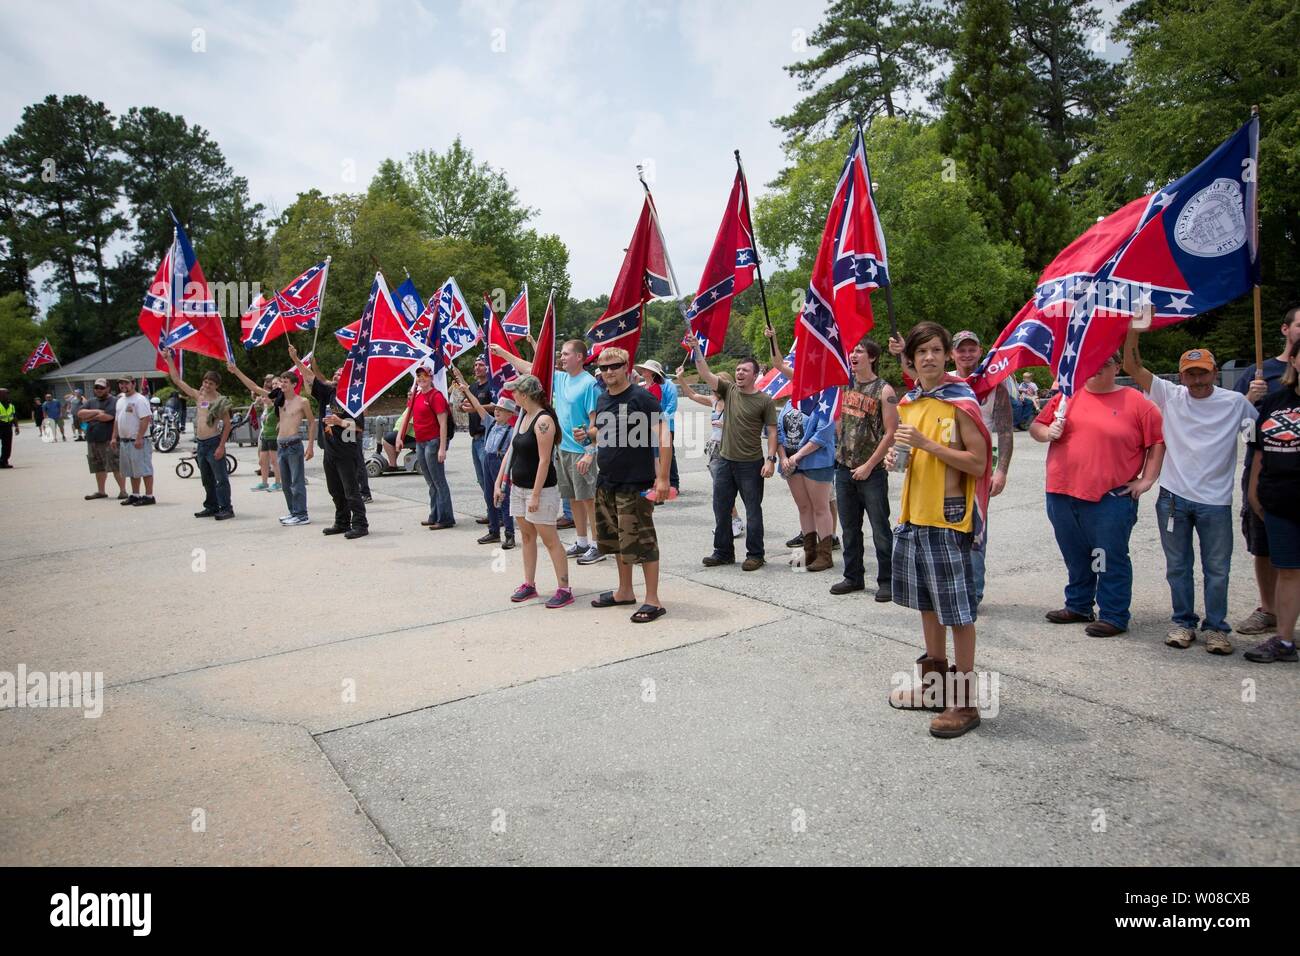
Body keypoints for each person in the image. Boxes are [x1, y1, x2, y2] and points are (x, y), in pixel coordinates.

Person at [884, 322, 990, 739]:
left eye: (935, 350)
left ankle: (964, 703)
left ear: (947, 355)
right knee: (928, 606)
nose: (928, 357)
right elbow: (909, 462)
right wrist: (899, 457)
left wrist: (929, 446)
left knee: (958, 613)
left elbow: (978, 464)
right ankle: (934, 689)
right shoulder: (910, 402)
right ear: (910, 359)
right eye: (920, 351)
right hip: (915, 516)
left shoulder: (961, 401)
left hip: (949, 519)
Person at [1123, 326, 1257, 653]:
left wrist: (1258, 396)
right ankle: (1183, 623)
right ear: (1182, 376)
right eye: (1191, 374)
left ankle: (1216, 629)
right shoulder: (1170, 395)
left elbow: (1256, 438)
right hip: (1173, 497)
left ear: (1214, 372)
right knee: (1178, 566)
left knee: (1217, 569)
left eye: (1203, 373)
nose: (1197, 380)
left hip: (1215, 500)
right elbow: (1132, 366)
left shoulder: (1236, 403)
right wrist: (1133, 332)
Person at [1031, 351, 1164, 637]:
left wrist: (1148, 479)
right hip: (1062, 491)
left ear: (1117, 367)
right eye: (1092, 363)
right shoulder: (1068, 396)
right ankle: (1078, 604)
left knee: (1106, 554)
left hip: (1109, 496)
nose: (1097, 370)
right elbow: (1036, 427)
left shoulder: (1136, 402)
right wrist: (1047, 432)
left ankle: (1113, 613)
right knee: (1075, 553)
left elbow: (1157, 442)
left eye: (1105, 363)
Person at [492, 339, 603, 564]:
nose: (561, 357)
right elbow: (532, 368)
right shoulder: (560, 378)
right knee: (572, 498)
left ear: (579, 357)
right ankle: (582, 541)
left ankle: (597, 544)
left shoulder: (589, 383)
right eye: (561, 354)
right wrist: (504, 353)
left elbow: (595, 422)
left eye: (566, 354)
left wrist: (591, 451)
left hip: (582, 451)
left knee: (588, 499)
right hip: (562, 449)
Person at [588, 347, 672, 622]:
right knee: (617, 541)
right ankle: (624, 591)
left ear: (626, 366)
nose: (608, 371)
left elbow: (664, 436)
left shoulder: (641, 397)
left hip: (635, 483)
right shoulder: (602, 400)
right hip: (607, 481)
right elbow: (604, 433)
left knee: (643, 541)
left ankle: (653, 600)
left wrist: (662, 478)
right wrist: (590, 440)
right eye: (604, 368)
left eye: (614, 366)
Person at [1231, 305, 1300, 637]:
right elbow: (1237, 426)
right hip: (1265, 471)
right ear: (1286, 329)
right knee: (1265, 544)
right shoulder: (1262, 372)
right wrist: (1249, 397)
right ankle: (1269, 609)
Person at [692, 343, 777, 571]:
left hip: (751, 464)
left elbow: (772, 431)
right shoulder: (729, 391)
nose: (739, 373)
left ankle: (756, 555)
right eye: (738, 370)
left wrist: (771, 460)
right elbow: (705, 373)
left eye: (745, 370)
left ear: (755, 375)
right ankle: (723, 552)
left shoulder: (765, 401)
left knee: (753, 510)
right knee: (721, 508)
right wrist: (696, 350)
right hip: (724, 461)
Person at [1243, 340, 1300, 663]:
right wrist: (1254, 492)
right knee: (1289, 569)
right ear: (1293, 359)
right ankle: (1285, 640)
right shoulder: (1274, 402)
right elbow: (1257, 450)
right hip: (1278, 499)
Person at [762, 331, 836, 573]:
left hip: (815, 461)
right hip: (791, 464)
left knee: (820, 507)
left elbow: (823, 434)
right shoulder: (791, 402)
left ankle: (825, 554)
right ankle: (809, 550)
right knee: (803, 507)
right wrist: (783, 456)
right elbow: (780, 432)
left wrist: (796, 456)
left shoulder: (826, 395)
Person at [496, 374, 572, 607]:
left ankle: (564, 588)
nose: (512, 395)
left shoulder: (543, 420)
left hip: (540, 489)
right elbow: (511, 451)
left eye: (515, 391)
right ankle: (529, 583)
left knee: (550, 539)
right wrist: (499, 482)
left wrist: (536, 494)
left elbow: (544, 460)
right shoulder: (523, 417)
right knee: (527, 536)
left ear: (525, 394)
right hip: (518, 487)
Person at [831, 338, 897, 599]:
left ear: (872, 357)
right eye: (852, 351)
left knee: (880, 529)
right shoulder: (844, 385)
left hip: (873, 472)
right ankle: (853, 577)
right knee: (849, 528)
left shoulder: (884, 390)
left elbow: (891, 432)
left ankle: (888, 581)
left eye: (859, 351)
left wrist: (869, 465)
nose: (853, 355)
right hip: (844, 469)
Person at [225, 361, 316, 525]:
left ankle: (302, 514)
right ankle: (293, 512)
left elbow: (312, 422)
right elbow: (255, 388)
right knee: (286, 483)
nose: (282, 384)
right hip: (281, 444)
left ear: (294, 384)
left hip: (294, 444)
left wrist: (310, 446)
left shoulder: (302, 401)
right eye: (281, 381)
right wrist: (236, 371)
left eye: (285, 382)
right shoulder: (279, 401)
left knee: (297, 482)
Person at [290, 345, 367, 538]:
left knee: (351, 491)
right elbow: (310, 377)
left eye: (341, 374)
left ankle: (360, 524)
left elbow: (358, 427)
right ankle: (341, 522)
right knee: (335, 490)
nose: (336, 376)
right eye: (335, 374)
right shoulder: (328, 394)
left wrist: (339, 421)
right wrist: (297, 360)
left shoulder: (353, 399)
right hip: (330, 451)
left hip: (346, 451)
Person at [165, 351, 234, 520]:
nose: (207, 385)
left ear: (216, 385)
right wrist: (169, 360)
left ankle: (226, 508)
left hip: (213, 442)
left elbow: (227, 424)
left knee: (221, 479)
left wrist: (221, 446)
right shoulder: (198, 396)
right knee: (206, 479)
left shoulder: (220, 401)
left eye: (211, 383)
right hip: (201, 443)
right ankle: (211, 506)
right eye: (205, 381)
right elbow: (177, 380)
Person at [455, 368, 515, 549]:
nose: (497, 412)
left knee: (503, 497)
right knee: (489, 496)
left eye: (502, 410)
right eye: (496, 409)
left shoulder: (511, 431)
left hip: (500, 461)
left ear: (510, 415)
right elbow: (478, 407)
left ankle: (509, 533)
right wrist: (466, 390)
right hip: (488, 460)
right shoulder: (490, 423)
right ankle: (493, 530)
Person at [680, 369, 744, 538]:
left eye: (718, 384)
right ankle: (727, 522)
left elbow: (747, 426)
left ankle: (735, 520)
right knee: (720, 489)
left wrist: (727, 426)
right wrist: (681, 379)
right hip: (715, 450)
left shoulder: (736, 402)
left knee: (728, 488)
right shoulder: (714, 400)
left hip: (732, 448)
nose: (714, 388)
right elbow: (692, 395)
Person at [399, 366, 453, 529]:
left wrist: (442, 448)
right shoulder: (416, 396)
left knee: (438, 481)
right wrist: (399, 437)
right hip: (420, 442)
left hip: (433, 441)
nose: (421, 378)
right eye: (418, 376)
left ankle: (445, 517)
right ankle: (434, 514)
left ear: (431, 378)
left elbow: (443, 423)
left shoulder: (436, 396)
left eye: (424, 376)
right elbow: (409, 416)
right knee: (430, 482)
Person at [634, 359, 680, 492]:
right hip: (649, 426)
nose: (643, 370)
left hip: (665, 424)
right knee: (654, 454)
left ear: (653, 372)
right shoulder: (643, 386)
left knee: (668, 453)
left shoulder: (668, 385)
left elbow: (671, 406)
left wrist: (659, 421)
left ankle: (673, 483)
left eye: (646, 369)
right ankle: (657, 482)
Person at [77, 378, 125, 500]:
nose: (98, 390)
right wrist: (97, 411)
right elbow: (80, 414)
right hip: (93, 438)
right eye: (96, 387)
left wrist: (90, 417)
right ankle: (101, 491)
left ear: (108, 388)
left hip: (109, 439)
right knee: (98, 466)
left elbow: (107, 417)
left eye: (102, 388)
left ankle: (123, 491)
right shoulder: (91, 401)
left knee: (115, 466)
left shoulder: (114, 401)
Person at [460, 355, 495, 523]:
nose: (476, 368)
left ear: (488, 367)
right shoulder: (473, 387)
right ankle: (491, 512)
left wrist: (475, 408)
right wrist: (463, 406)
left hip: (487, 436)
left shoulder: (492, 386)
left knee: (490, 478)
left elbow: (496, 406)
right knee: (481, 478)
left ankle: (499, 514)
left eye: (481, 365)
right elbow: (464, 404)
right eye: (475, 365)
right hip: (474, 438)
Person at [111, 377, 155, 505]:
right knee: (131, 470)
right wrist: (114, 437)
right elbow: (117, 420)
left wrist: (139, 437)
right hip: (125, 441)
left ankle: (149, 496)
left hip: (138, 441)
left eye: (126, 383)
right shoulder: (120, 400)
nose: (123, 385)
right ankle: (135, 494)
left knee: (144, 469)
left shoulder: (140, 399)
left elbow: (145, 419)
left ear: (133, 384)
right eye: (121, 383)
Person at [249, 375, 281, 492]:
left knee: (274, 461)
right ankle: (264, 482)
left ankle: (278, 483)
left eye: (265, 397)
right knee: (262, 461)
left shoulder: (275, 407)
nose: (263, 398)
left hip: (273, 436)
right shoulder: (266, 408)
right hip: (265, 436)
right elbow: (255, 398)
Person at [0, 388, 17, 468]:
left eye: (8, 393)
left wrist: (16, 426)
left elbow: (14, 416)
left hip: (7, 427)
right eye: (6, 393)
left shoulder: (11, 405)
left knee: (7, 445)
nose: (8, 395)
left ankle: (4, 462)